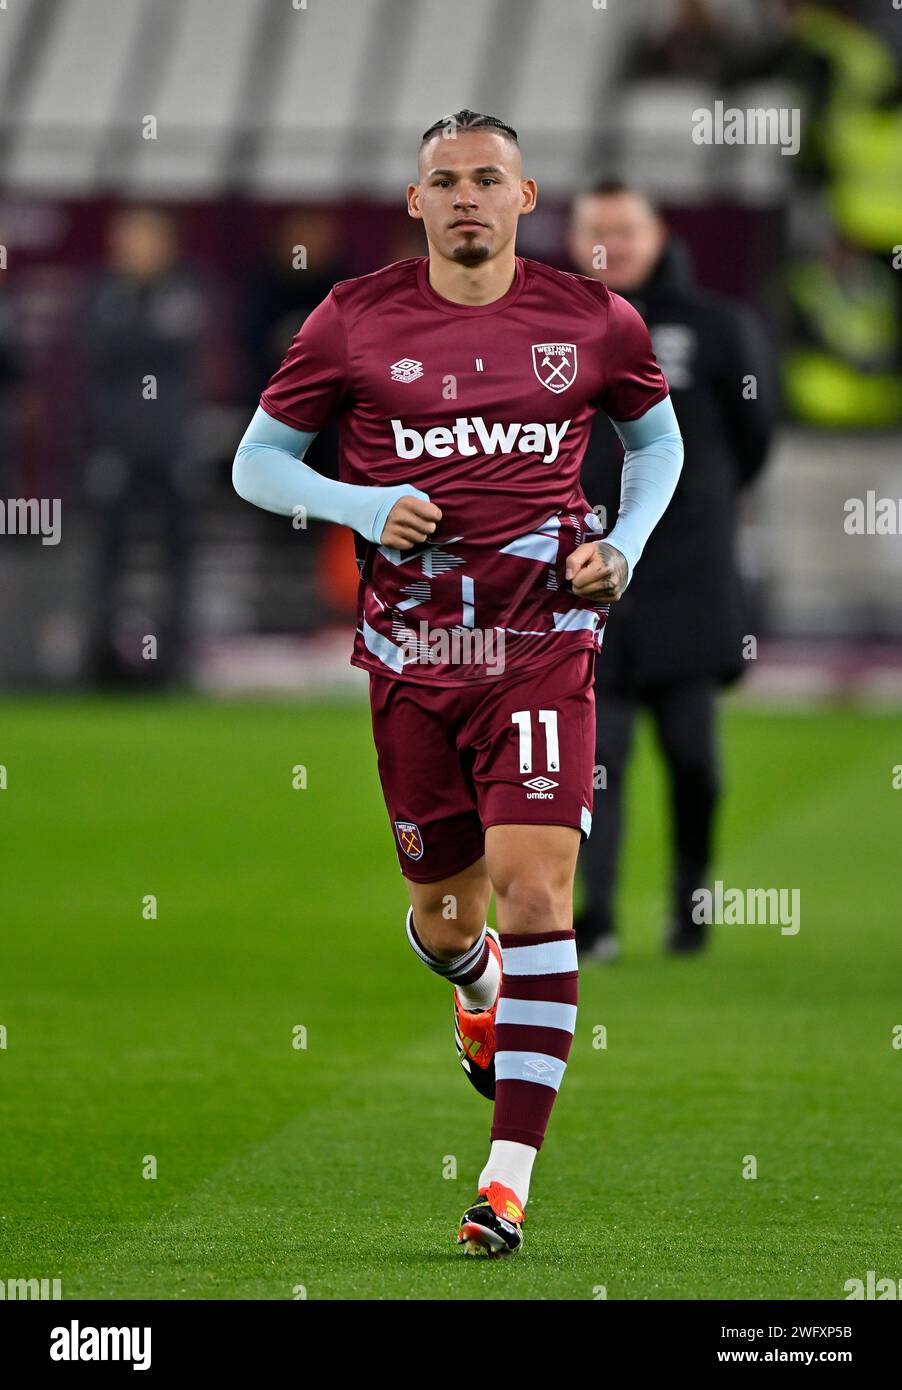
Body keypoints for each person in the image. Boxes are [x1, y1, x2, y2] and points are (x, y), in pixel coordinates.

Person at [233, 112, 683, 1257]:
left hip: (542, 648)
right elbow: (256, 463)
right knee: (447, 918)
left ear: (525, 197)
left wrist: (621, 546)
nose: (467, 196)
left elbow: (658, 444)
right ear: (414, 199)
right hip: (413, 663)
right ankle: (469, 979)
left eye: (488, 178)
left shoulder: (592, 319)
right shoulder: (351, 320)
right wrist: (357, 505)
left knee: (539, 893)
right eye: (447, 181)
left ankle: (504, 1179)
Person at [569, 182, 776, 959]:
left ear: (657, 235)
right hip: (589, 579)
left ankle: (691, 900)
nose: (612, 244)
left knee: (694, 757)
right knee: (597, 762)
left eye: (626, 229)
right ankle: (598, 917)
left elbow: (756, 437)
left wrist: (698, 510)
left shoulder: (720, 329)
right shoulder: (553, 325)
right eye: (598, 230)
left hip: (689, 577)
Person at [79, 206, 209, 685]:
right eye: (127, 239)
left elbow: (176, 346)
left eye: (144, 238)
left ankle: (176, 658)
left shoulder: (187, 288)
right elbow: (100, 349)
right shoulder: (102, 292)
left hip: (171, 445)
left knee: (179, 556)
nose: (134, 249)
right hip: (114, 446)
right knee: (106, 557)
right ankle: (99, 658)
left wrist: (135, 333)